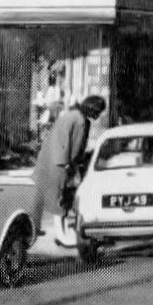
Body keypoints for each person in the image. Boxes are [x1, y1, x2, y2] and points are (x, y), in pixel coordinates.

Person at [33, 94, 105, 241]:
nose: (99, 114)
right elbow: (71, 145)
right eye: (99, 110)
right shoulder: (78, 119)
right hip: (59, 164)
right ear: (93, 108)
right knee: (58, 200)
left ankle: (43, 230)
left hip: (52, 161)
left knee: (45, 198)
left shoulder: (74, 116)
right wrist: (69, 164)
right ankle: (61, 235)